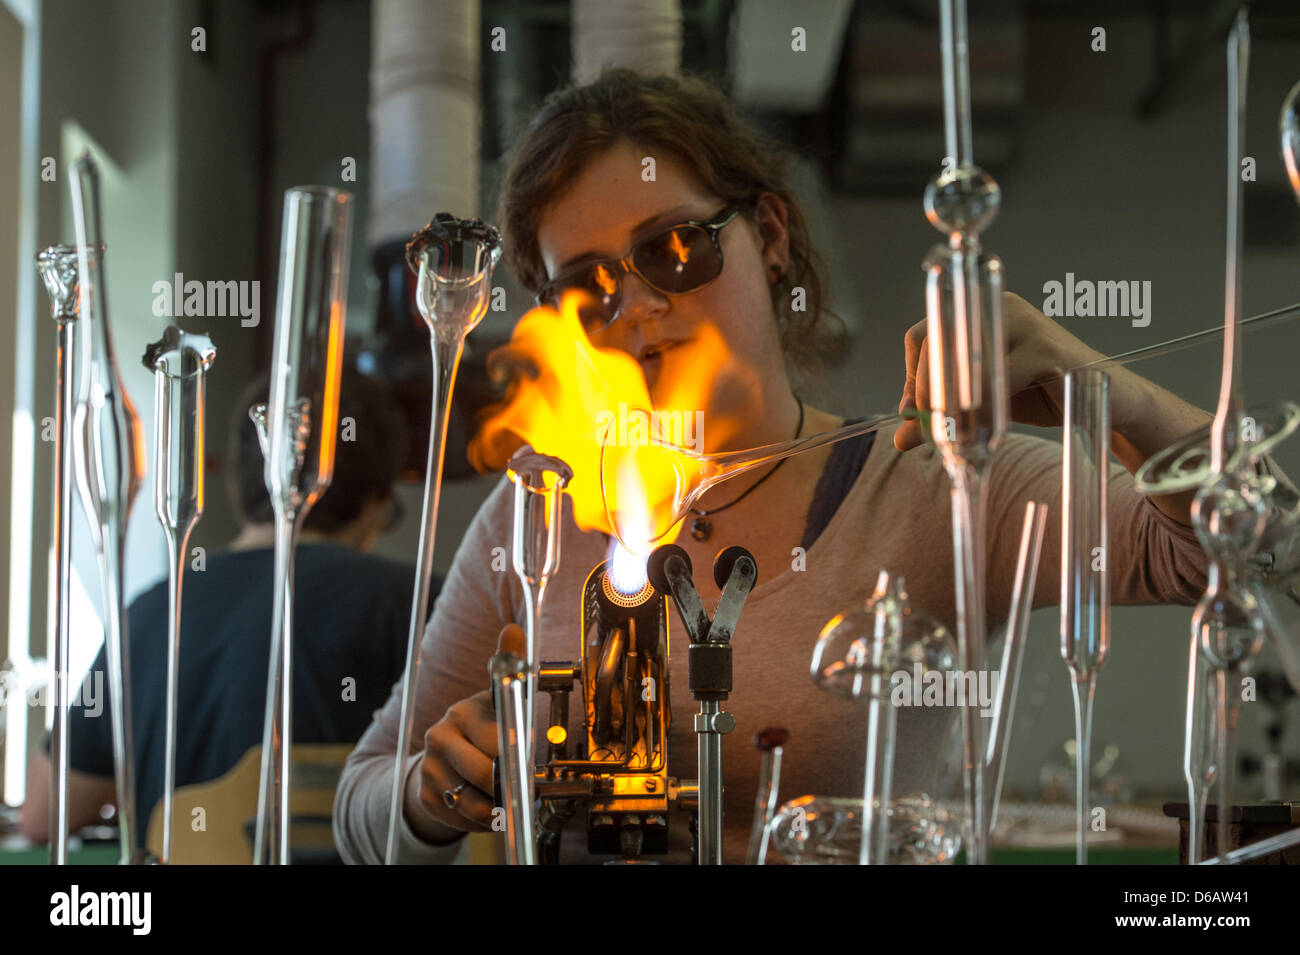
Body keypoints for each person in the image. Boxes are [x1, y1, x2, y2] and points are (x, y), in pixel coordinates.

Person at [332, 69, 1270, 864]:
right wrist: (434, 793)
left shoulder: (925, 482)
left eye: (673, 248)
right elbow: (361, 800)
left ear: (770, 236)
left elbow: (1244, 544)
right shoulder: (539, 507)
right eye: (588, 286)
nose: (640, 306)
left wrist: (1096, 383)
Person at [21, 368, 429, 854]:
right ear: (377, 498)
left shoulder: (150, 614)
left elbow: (43, 813)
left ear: (239, 481)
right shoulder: (425, 605)